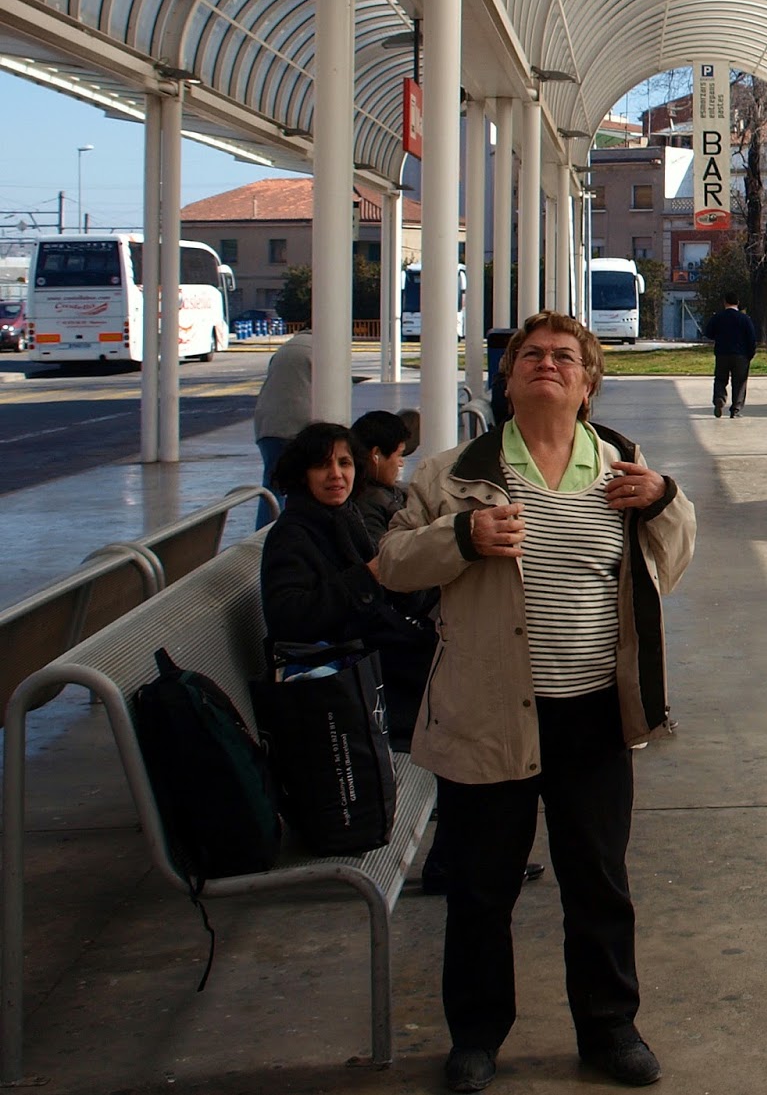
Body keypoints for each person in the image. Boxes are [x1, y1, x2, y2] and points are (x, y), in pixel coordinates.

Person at [377, 311, 695, 1092]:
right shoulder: (455, 474)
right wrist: (461, 535)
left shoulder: (624, 467)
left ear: (588, 383)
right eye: (530, 354)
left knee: (597, 877)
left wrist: (664, 500)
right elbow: (390, 563)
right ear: (509, 376)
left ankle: (610, 1028)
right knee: (483, 884)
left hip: (592, 710)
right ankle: (477, 1037)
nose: (545, 363)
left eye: (564, 356)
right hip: (488, 711)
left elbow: (672, 563)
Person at [259, 422, 437, 750]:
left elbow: (384, 582)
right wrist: (366, 578)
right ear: (302, 474)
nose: (336, 474)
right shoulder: (293, 534)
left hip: (368, 661)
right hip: (345, 677)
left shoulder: (342, 516)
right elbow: (287, 617)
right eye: (322, 464)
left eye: (344, 463)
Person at [253, 326, 313, 528]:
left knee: (272, 486)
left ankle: (262, 536)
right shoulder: (322, 349)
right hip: (300, 426)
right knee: (306, 486)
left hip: (268, 425)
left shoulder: (286, 348)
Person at [348, 408, 422, 545]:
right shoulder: (367, 505)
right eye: (399, 455)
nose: (401, 463)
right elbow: (384, 555)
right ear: (376, 454)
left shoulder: (381, 493)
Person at [700, 292, 756, 417]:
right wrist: (750, 354)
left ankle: (719, 399)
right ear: (738, 303)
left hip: (722, 353)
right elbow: (751, 338)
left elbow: (708, 333)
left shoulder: (718, 317)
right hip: (741, 355)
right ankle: (736, 409)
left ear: (725, 302)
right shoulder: (745, 319)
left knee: (720, 379)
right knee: (740, 382)